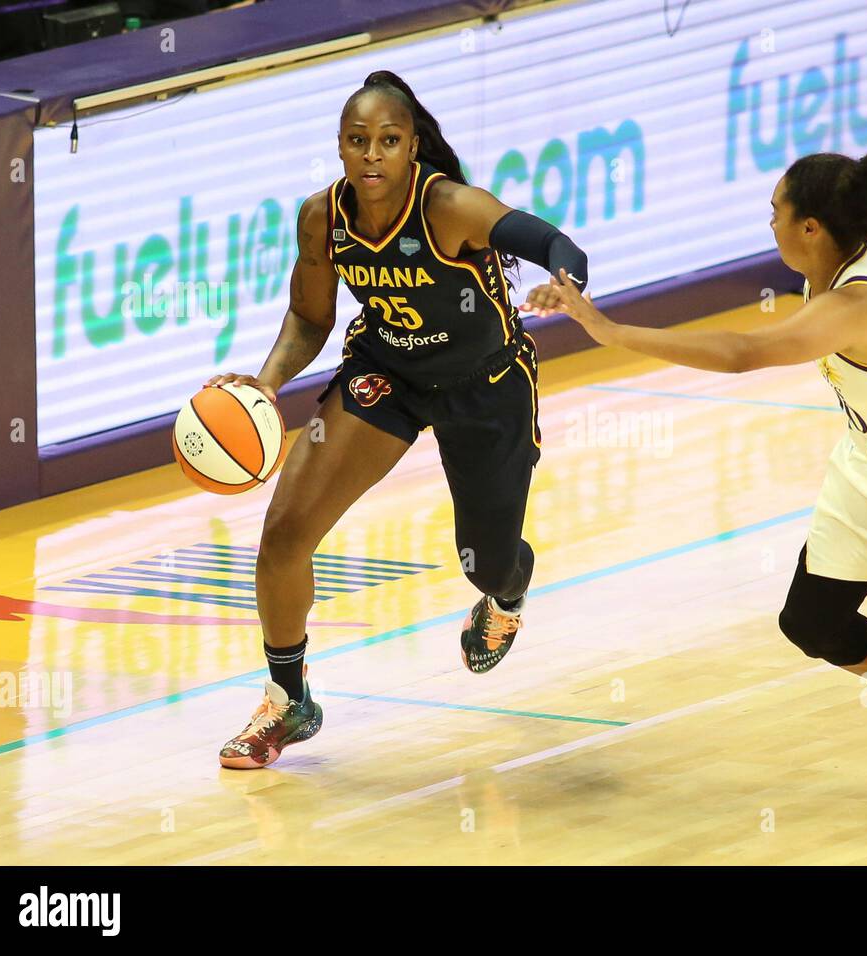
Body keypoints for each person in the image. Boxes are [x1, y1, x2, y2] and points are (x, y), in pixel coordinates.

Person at [522, 150, 867, 832]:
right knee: (812, 623)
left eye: (776, 213)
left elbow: (741, 354)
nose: (770, 224)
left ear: (813, 228)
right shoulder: (852, 252)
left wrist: (606, 328)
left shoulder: (856, 302)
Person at [207, 70, 588, 769]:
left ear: (413, 147)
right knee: (285, 534)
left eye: (388, 140)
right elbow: (311, 315)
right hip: (388, 376)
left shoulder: (450, 206)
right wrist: (263, 384)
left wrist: (566, 282)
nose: (373, 154)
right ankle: (287, 701)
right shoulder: (322, 217)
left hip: (486, 386)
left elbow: (558, 244)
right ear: (342, 149)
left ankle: (506, 594)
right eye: (359, 142)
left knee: (486, 559)